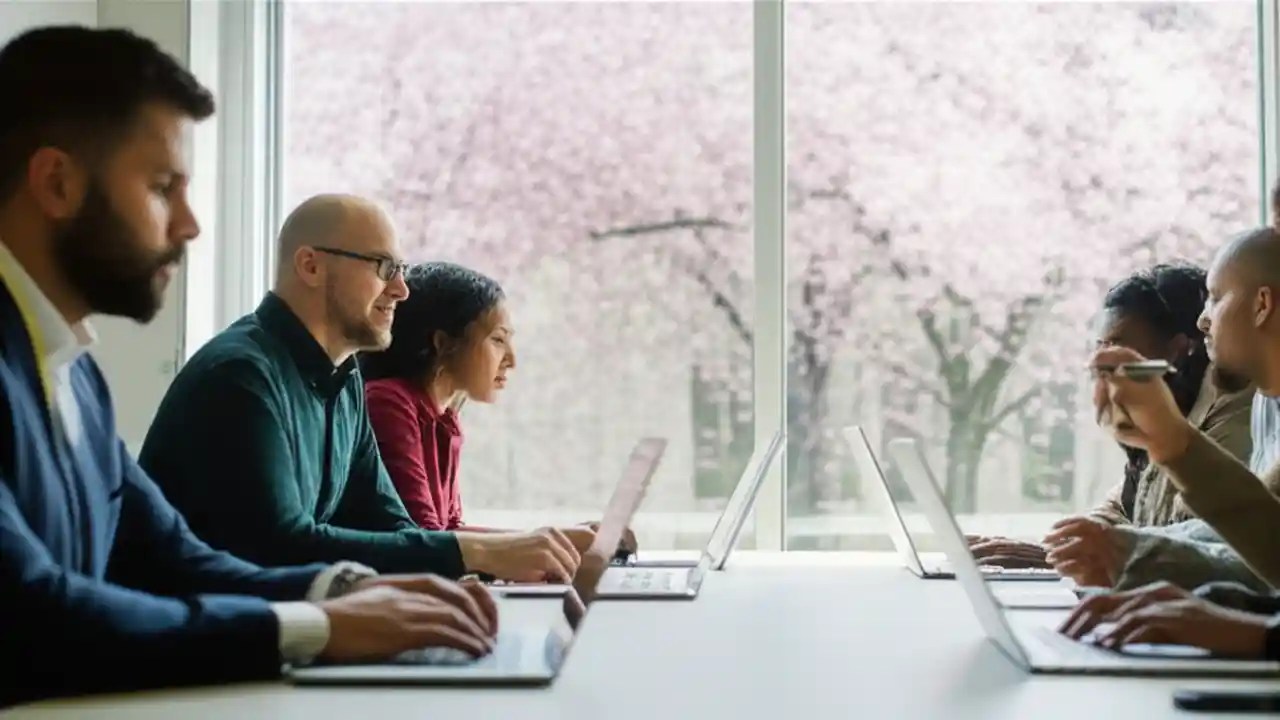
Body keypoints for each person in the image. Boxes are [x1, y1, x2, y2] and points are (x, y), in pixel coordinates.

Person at [0, 27, 497, 707]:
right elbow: (35, 615)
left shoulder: (73, 370)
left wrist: (349, 592)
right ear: (56, 182)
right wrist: (315, 625)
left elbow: (174, 555)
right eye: (161, 187)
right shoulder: (231, 373)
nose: (190, 224)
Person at [139, 195, 586, 583]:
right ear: (310, 265)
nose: (401, 290)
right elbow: (279, 547)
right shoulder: (240, 377)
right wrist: (475, 554)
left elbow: (392, 524)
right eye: (383, 267)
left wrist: (458, 575)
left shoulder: (346, 378)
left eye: (402, 269)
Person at [968, 264, 1260, 588]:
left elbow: (1210, 542)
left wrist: (1101, 552)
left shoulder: (1233, 416)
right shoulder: (1170, 410)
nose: (1102, 361)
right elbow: (1122, 508)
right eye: (1100, 346)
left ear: (1177, 350)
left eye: (1118, 344)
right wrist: (1058, 552)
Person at [359, 262, 637, 552]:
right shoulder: (388, 403)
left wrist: (556, 540)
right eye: (497, 340)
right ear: (443, 343)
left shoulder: (444, 419)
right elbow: (427, 537)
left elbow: (450, 529)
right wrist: (553, 541)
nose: (511, 360)